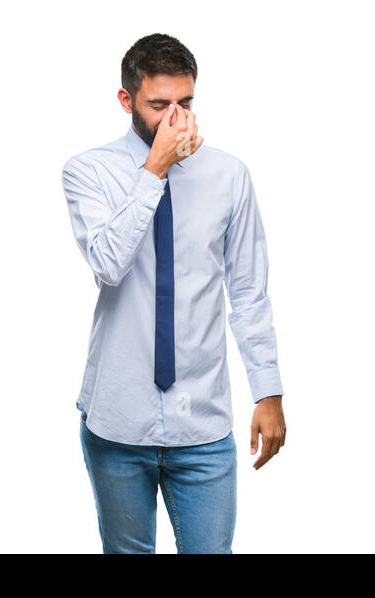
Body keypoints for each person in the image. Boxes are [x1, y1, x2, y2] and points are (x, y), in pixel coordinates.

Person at [62, 33, 288, 554]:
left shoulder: (228, 174)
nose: (174, 117)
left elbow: (249, 291)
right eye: (158, 105)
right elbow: (109, 265)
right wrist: (156, 169)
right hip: (118, 420)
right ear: (126, 101)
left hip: (202, 424)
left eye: (184, 103)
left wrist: (268, 392)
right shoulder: (87, 171)